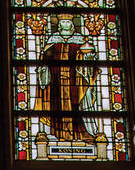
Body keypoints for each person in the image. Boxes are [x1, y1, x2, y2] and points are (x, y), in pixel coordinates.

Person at [33, 14, 99, 142]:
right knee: (57, 105)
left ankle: (78, 133)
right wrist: (45, 61)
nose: (65, 24)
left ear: (72, 24)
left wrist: (87, 58)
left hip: (75, 79)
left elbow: (87, 59)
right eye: (63, 22)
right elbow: (45, 60)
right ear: (59, 24)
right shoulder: (53, 39)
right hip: (56, 79)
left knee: (76, 104)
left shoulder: (79, 39)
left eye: (68, 22)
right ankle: (59, 133)